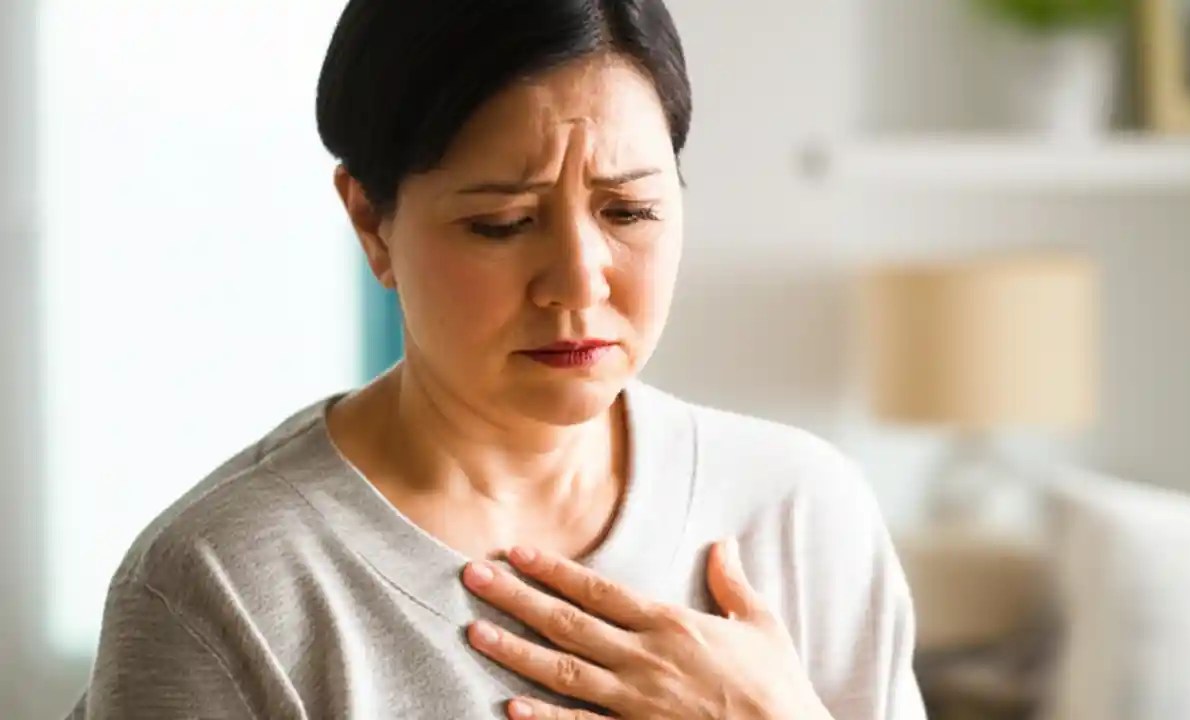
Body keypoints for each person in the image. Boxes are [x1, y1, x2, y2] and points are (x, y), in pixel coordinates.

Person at [68, 1, 924, 718]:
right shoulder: (227, 587)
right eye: (503, 224)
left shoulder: (802, 512)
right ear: (372, 221)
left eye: (627, 212)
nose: (577, 284)